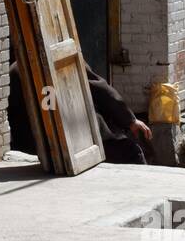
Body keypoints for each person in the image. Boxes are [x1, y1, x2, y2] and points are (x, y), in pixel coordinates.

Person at [8, 60, 152, 165]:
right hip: (72, 141)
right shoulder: (63, 62)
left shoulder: (14, 71)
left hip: (29, 144)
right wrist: (130, 120)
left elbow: (47, 106)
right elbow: (100, 90)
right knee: (132, 151)